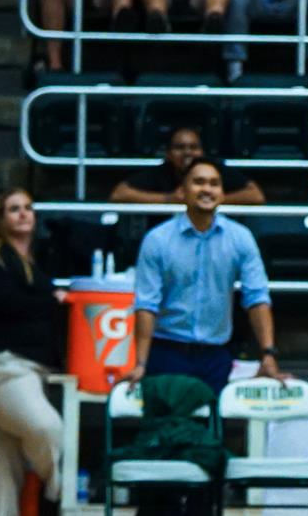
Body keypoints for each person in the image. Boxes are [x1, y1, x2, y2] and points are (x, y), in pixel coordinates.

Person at [120, 155, 281, 395]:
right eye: (198, 182)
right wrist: (140, 363)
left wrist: (268, 354)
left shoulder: (241, 238)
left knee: (214, 431)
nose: (207, 189)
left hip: (216, 356)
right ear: (182, 191)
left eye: (214, 183)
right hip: (166, 352)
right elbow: (146, 305)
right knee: (167, 429)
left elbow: (256, 298)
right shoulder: (157, 239)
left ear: (222, 193)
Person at [0, 189, 65, 516]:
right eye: (14, 209)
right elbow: (8, 303)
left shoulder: (33, 261)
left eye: (28, 208)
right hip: (2, 366)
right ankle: (56, 490)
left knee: (6, 460)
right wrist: (53, 300)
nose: (23, 214)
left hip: (25, 368)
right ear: (0, 219)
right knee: (47, 428)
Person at [111, 124, 266, 207]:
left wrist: (210, 200)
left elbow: (255, 195)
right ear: (168, 154)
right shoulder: (162, 171)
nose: (187, 153)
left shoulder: (214, 169)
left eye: (193, 147)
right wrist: (168, 199)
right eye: (180, 148)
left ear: (202, 152)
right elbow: (119, 194)